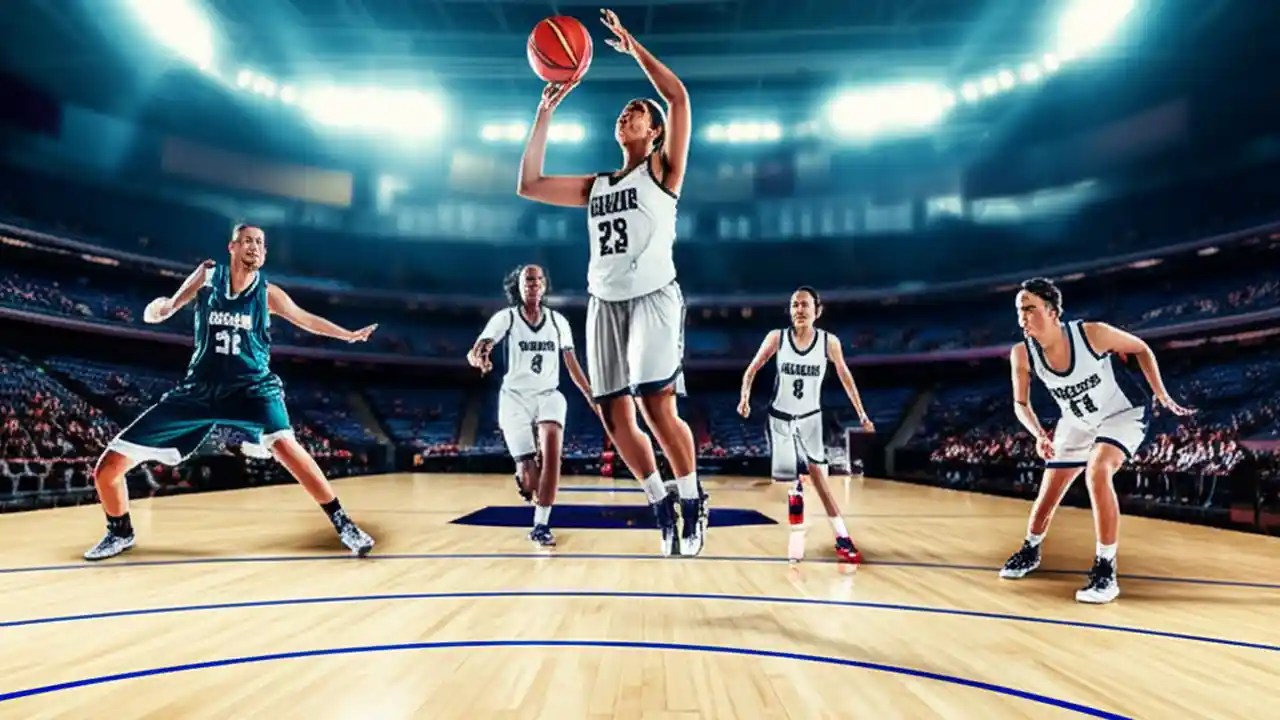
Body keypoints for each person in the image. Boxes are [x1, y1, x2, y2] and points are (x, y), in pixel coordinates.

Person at [516, 9, 703, 556]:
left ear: (654, 132)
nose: (628, 113)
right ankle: (660, 502)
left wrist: (633, 47)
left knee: (655, 406)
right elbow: (529, 183)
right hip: (604, 303)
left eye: (638, 111)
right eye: (624, 111)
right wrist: (544, 113)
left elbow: (679, 98)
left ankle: (693, 500)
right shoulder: (597, 185)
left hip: (653, 299)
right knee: (615, 417)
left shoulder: (663, 171)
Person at [83, 223, 378, 561]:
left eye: (260, 243)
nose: (254, 246)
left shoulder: (268, 294)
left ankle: (344, 525)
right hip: (199, 391)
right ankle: (120, 532)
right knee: (106, 469)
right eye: (247, 240)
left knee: (285, 444)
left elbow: (306, 319)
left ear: (264, 253)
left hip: (252, 388)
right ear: (232, 246)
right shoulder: (208, 278)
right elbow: (170, 307)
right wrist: (160, 309)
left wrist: (348, 335)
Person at [1000, 277, 1195, 603]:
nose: (1022, 317)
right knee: (1048, 494)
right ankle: (1030, 550)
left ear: (1052, 311)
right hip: (1076, 422)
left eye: (1029, 309)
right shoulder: (1022, 353)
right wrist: (1038, 434)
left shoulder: (1092, 334)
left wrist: (1160, 393)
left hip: (1122, 413)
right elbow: (1021, 403)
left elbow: (1141, 348)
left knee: (1098, 469)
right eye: (1019, 310)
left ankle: (1106, 569)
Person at [738, 286, 875, 563]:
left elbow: (846, 378)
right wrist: (744, 398)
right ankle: (795, 490)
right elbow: (752, 368)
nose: (799, 310)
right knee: (782, 480)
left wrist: (862, 414)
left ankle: (842, 537)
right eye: (794, 305)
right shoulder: (777, 337)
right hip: (780, 418)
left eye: (805, 305)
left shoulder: (829, 342)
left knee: (820, 480)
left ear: (817, 311)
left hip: (811, 417)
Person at [466, 264, 593, 547]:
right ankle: (523, 473)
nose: (532, 284)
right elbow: (481, 345)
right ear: (519, 287)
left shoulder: (558, 321)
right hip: (515, 398)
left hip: (548, 394)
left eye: (537, 280)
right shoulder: (507, 318)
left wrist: (589, 394)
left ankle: (541, 526)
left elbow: (571, 363)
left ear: (544, 285)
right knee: (531, 480)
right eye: (527, 280)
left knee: (552, 455)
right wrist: (479, 356)